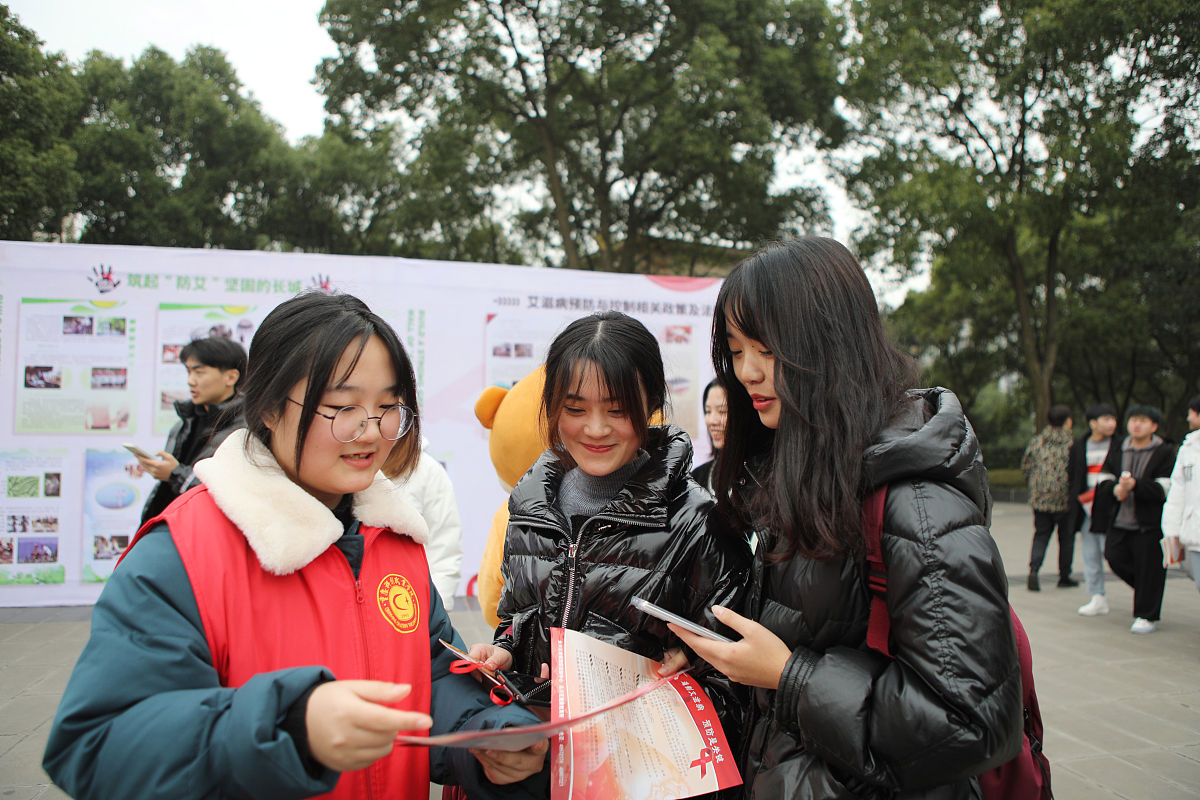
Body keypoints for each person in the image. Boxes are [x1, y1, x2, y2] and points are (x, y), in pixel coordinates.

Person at [43, 292, 548, 800]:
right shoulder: (183, 553)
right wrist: (286, 729)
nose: (370, 431)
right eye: (342, 407)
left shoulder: (392, 539)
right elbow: (96, 746)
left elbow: (432, 677)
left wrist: (488, 732)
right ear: (265, 406)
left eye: (388, 407)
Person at [668, 237, 1022, 798]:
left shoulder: (918, 506)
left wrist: (790, 678)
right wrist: (715, 652)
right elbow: (810, 625)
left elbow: (974, 723)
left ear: (832, 343)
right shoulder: (801, 466)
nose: (748, 374)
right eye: (736, 351)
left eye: (768, 349)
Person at [471, 312, 751, 727]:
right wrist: (507, 652)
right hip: (540, 764)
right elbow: (518, 619)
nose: (596, 428)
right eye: (575, 408)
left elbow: (734, 686)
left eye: (617, 410)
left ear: (652, 404)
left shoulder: (701, 524)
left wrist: (668, 686)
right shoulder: (530, 508)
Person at [133, 336, 247, 524]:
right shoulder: (184, 422)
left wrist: (175, 474)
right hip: (167, 524)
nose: (190, 381)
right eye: (188, 372)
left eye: (199, 372)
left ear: (231, 377)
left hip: (204, 531)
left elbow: (232, 492)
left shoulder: (247, 428)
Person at [1092, 404, 1177, 633]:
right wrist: (1114, 490)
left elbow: (1166, 486)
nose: (1136, 425)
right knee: (1114, 556)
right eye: (1133, 420)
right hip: (1120, 519)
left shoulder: (1165, 451)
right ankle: (1147, 592)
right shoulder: (1120, 447)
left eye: (1143, 420)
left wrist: (1136, 486)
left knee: (1150, 566)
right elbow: (1104, 477)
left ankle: (1145, 615)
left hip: (1149, 523)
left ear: (1154, 426)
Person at [388, 435, 464, 611]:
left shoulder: (427, 470)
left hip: (409, 609)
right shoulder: (341, 465)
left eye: (387, 407)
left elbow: (444, 546)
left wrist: (435, 614)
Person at [1068, 403, 1120, 615]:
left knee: (1114, 552)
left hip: (1111, 507)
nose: (1111, 423)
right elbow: (1073, 476)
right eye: (1105, 419)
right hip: (1086, 508)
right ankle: (1097, 596)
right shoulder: (1079, 445)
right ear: (1092, 423)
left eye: (1112, 419)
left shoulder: (1120, 445)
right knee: (1090, 554)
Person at [1021, 404, 1078, 590]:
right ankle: (1064, 577)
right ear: (1068, 421)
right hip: (1065, 499)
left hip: (1041, 499)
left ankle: (1034, 570)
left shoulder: (1038, 441)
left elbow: (1026, 466)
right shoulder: (1073, 444)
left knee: (1041, 535)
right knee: (1066, 538)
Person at [1161, 394, 1200, 594]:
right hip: (1195, 535)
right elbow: (1178, 492)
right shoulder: (1189, 448)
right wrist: (1171, 531)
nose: (1188, 418)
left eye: (1191, 413)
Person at [690, 377, 727, 494]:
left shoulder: (758, 477)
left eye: (722, 411)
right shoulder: (696, 479)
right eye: (708, 411)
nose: (712, 421)